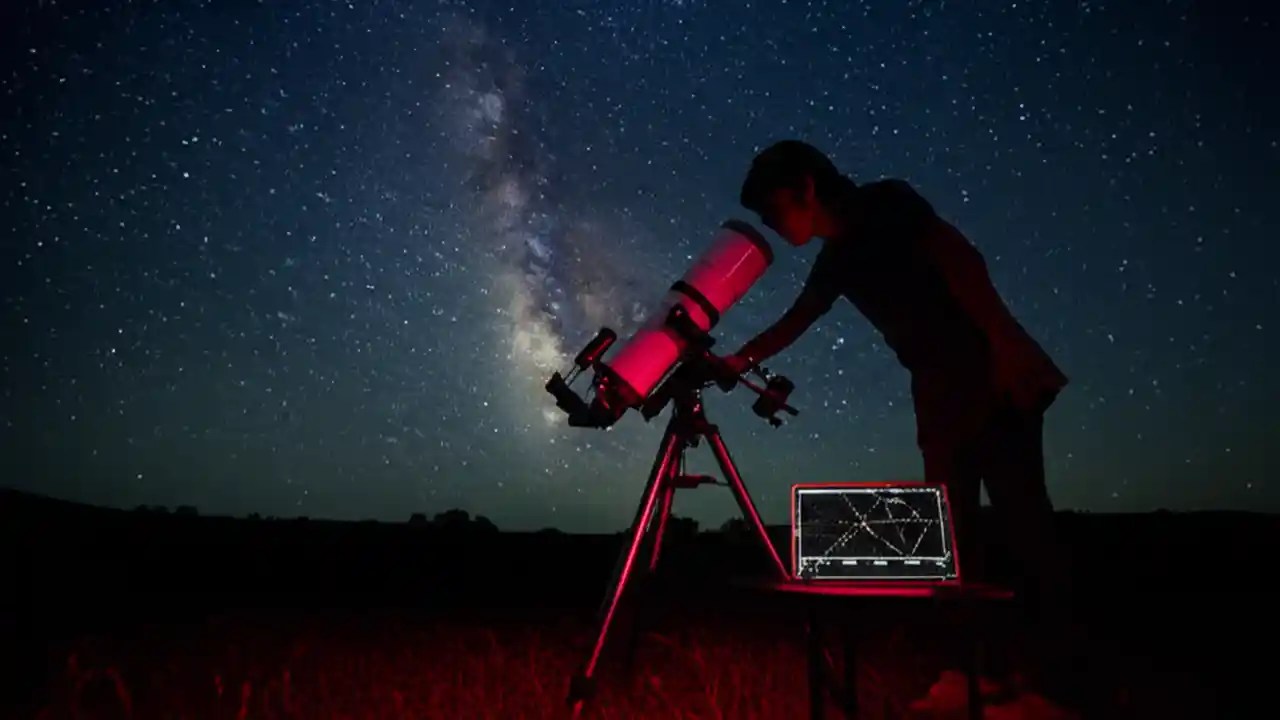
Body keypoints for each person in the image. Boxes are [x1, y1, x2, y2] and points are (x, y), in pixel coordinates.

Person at [721, 140, 1087, 714]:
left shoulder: (885, 203)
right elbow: (798, 318)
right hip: (938, 395)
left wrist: (1005, 344)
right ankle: (972, 674)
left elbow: (961, 259)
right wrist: (739, 358)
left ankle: (1059, 683)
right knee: (954, 542)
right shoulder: (834, 258)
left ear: (805, 188)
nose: (769, 223)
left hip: (985, 374)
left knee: (1027, 528)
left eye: (772, 208)